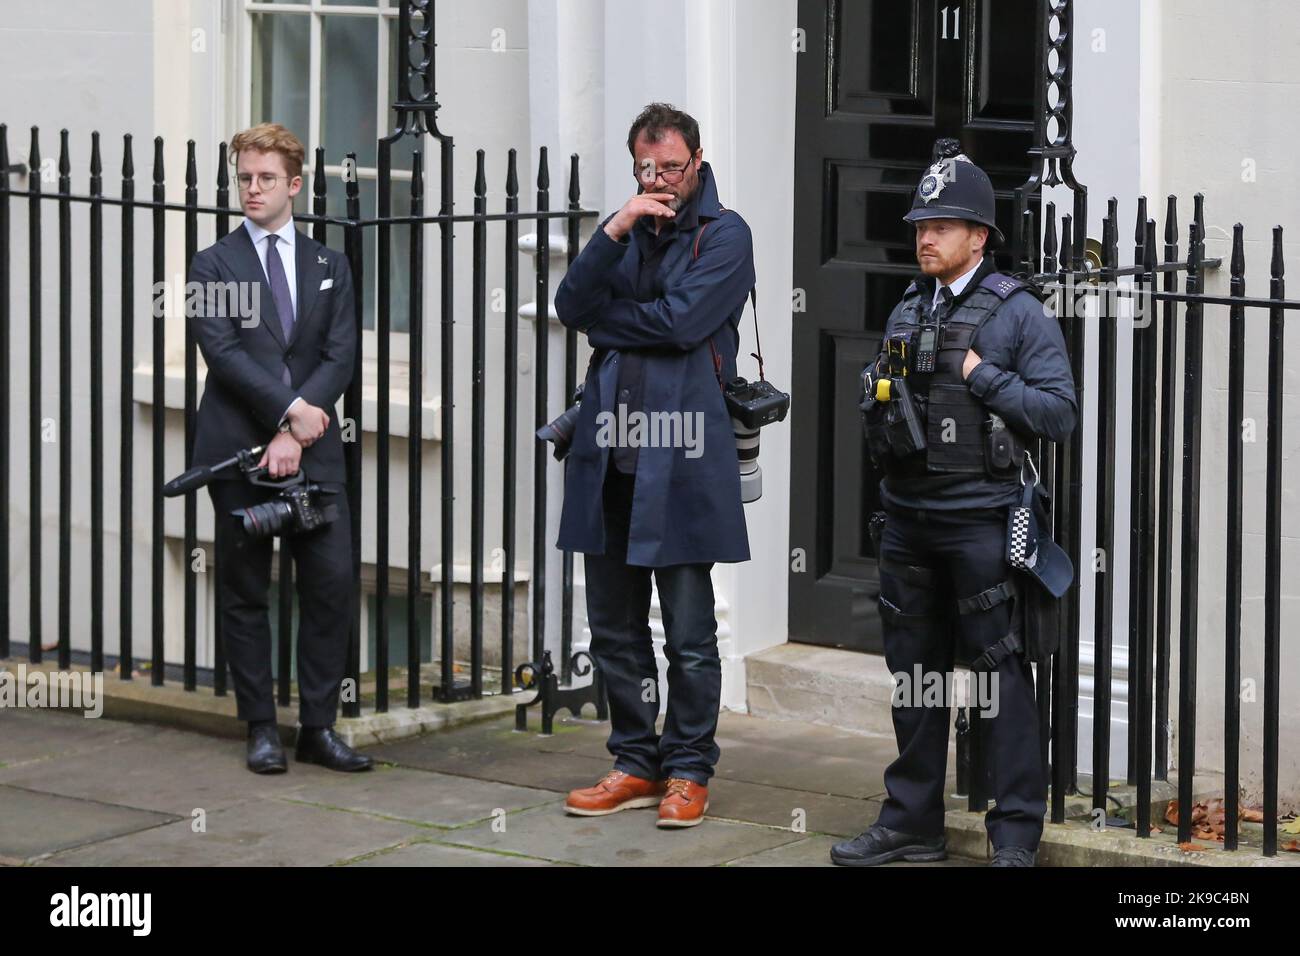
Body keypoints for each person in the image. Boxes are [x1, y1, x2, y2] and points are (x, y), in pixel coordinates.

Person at [833, 144, 1077, 867]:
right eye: (920, 224)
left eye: (942, 224)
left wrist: (982, 375)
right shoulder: (908, 306)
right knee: (914, 677)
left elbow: (1058, 413)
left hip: (981, 521)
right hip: (908, 518)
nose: (926, 237)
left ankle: (1015, 833)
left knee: (1000, 675)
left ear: (980, 236)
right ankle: (911, 821)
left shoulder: (1018, 312)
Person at [553, 103, 755, 828]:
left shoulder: (726, 235)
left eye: (672, 166)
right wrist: (613, 229)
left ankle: (689, 770)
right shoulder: (629, 230)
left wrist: (611, 322)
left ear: (697, 159)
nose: (661, 180)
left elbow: (683, 322)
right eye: (647, 168)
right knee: (614, 628)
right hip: (609, 454)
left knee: (691, 635)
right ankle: (635, 762)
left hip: (682, 457)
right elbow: (570, 302)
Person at [190, 122, 371, 774]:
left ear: (294, 184)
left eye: (266, 178)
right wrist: (289, 414)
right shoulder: (213, 264)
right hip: (240, 452)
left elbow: (340, 356)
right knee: (244, 592)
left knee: (329, 589)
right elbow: (225, 355)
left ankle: (318, 728)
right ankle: (261, 727)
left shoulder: (331, 265)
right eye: (244, 177)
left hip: (315, 455)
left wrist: (297, 433)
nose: (253, 189)